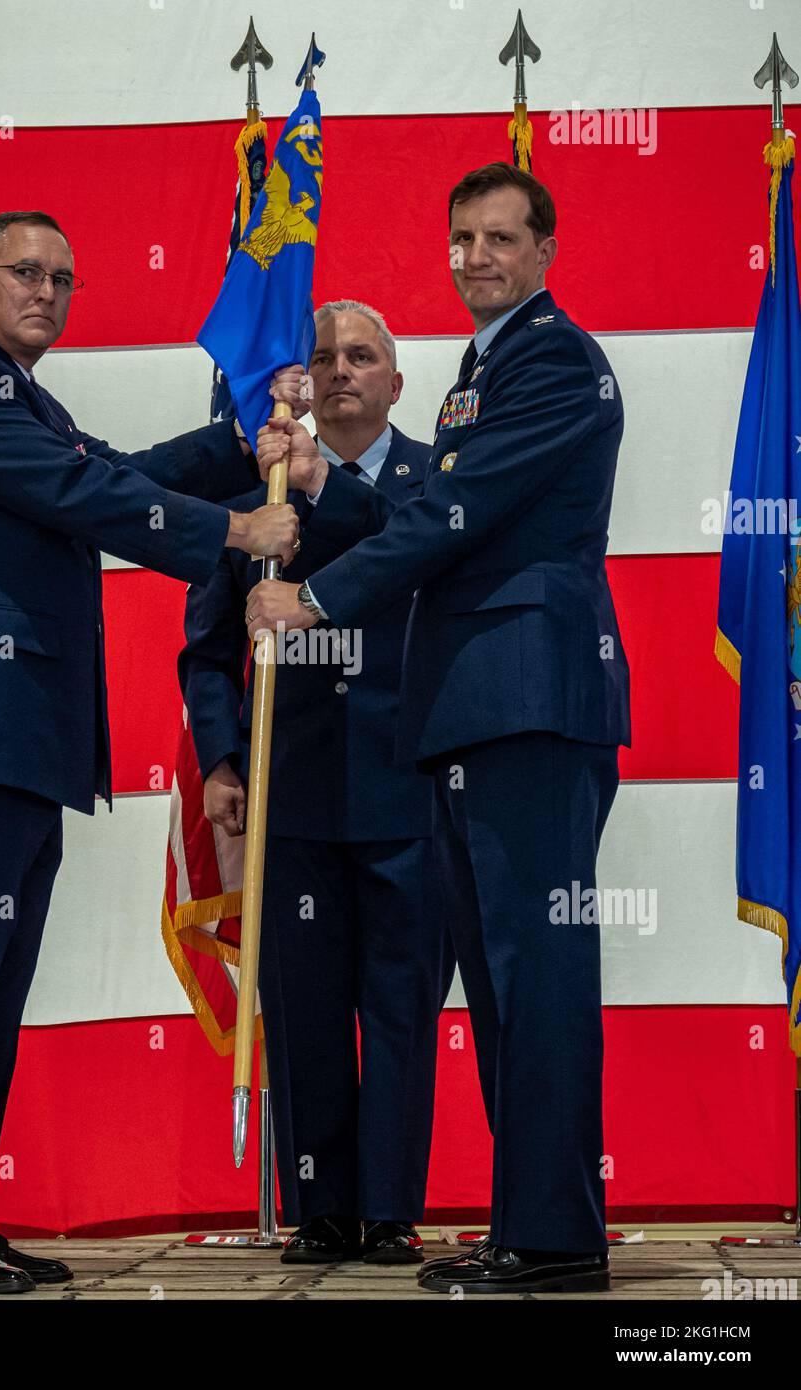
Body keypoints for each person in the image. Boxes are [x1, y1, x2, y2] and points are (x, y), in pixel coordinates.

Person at [0, 209, 298, 1294]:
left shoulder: (20, 396)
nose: (47, 292)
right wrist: (236, 531)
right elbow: (83, 495)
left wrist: (237, 445)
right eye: (25, 272)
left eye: (64, 277)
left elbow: (108, 466)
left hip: (18, 732)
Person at [245, 164, 631, 1294]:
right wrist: (327, 485)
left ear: (544, 251)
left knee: (533, 969)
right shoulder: (485, 365)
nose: (474, 257)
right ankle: (534, 1222)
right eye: (460, 237)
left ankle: (554, 1235)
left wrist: (313, 597)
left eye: (499, 238)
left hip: (528, 698)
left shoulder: (553, 358)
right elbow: (433, 509)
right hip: (472, 706)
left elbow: (460, 512)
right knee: (504, 978)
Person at [180, 301, 453, 1265]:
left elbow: (408, 544)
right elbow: (209, 644)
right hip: (291, 784)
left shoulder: (437, 478)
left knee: (400, 1009)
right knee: (301, 1009)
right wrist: (219, 755)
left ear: (396, 380)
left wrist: (316, 488)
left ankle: (387, 1212)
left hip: (409, 786)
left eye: (363, 355)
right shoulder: (263, 492)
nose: (341, 370)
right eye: (325, 355)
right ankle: (320, 1209)